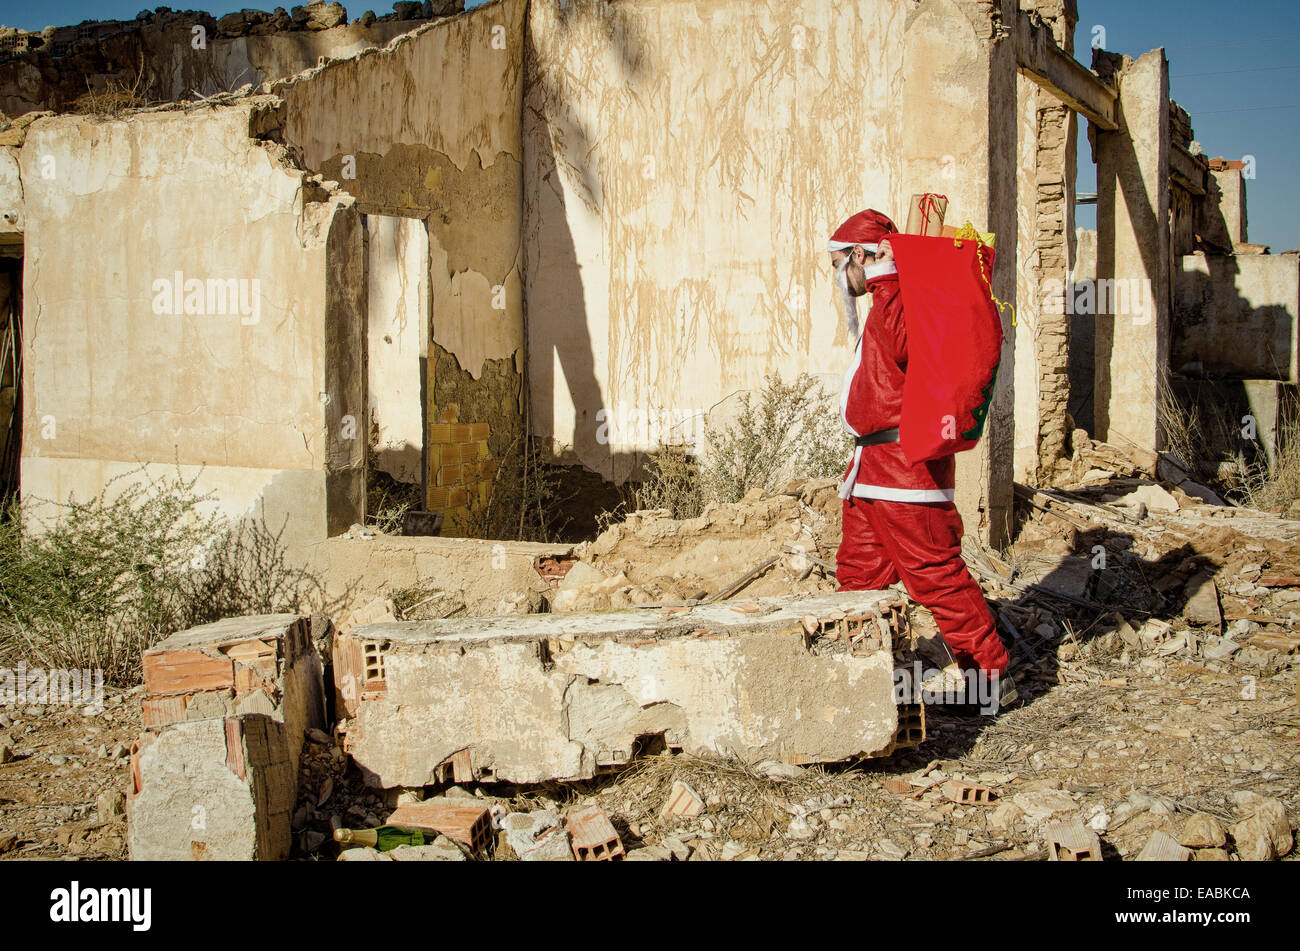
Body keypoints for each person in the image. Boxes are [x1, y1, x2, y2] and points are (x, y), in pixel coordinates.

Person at [828, 208, 1016, 712]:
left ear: (861, 257)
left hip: (904, 469)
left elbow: (907, 346)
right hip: (873, 471)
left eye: (841, 264)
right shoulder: (887, 300)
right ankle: (859, 681)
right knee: (859, 576)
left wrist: (887, 277)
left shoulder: (900, 296)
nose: (839, 278)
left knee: (934, 572)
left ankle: (989, 677)